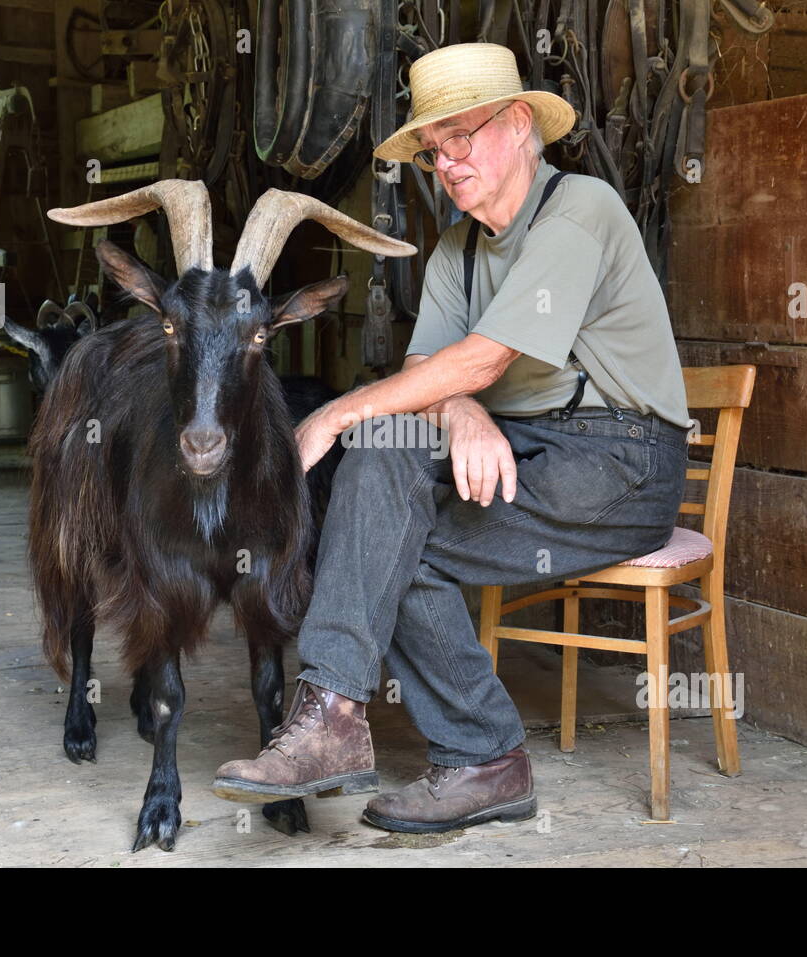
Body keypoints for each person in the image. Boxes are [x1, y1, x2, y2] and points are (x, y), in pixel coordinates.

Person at [212, 42, 691, 834]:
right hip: (526, 450)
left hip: (622, 462)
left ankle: (469, 749)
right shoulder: (457, 253)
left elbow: (487, 354)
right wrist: (464, 410)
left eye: (461, 137)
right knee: (385, 506)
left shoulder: (582, 209)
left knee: (379, 507)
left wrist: (337, 411)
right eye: (434, 150)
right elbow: (433, 370)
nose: (448, 161)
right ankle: (369, 725)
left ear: (519, 124)